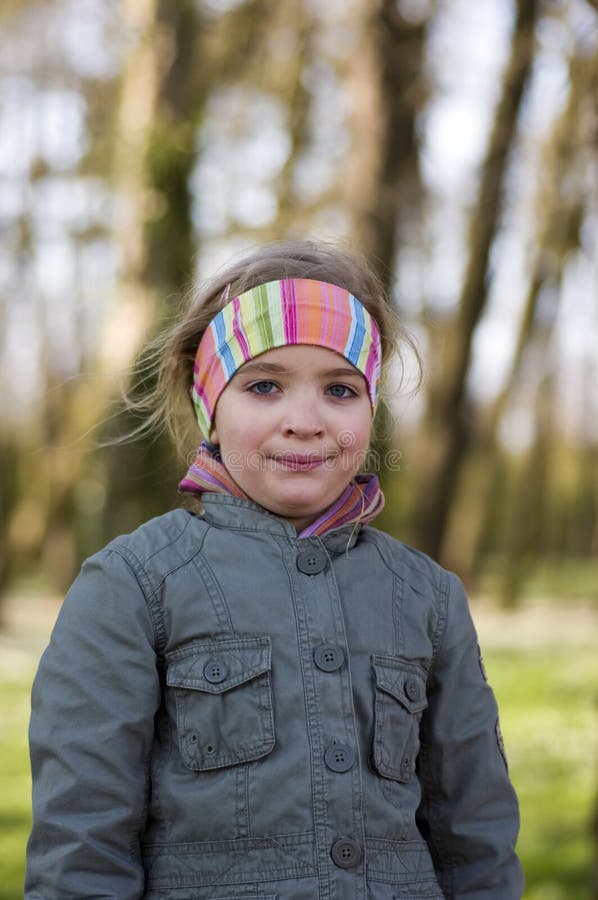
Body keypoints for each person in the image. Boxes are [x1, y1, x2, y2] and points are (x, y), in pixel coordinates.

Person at [26, 240, 524, 899]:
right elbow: (81, 847)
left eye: (340, 390)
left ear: (370, 410)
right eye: (264, 386)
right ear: (212, 406)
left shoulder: (428, 597)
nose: (305, 421)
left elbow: (477, 835)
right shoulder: (133, 586)